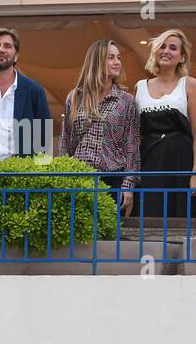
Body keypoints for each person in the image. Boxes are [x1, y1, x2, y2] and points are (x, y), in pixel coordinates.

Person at [60, 39, 140, 216]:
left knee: (110, 241)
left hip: (112, 180)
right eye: (110, 57)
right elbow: (65, 142)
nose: (117, 62)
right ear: (96, 61)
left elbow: (132, 146)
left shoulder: (126, 101)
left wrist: (128, 185)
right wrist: (63, 179)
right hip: (79, 180)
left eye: (118, 57)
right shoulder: (74, 97)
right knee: (80, 240)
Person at [134, 29, 196, 220]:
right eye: (162, 46)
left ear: (182, 57)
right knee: (150, 214)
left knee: (182, 215)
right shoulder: (140, 87)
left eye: (173, 48)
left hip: (180, 159)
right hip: (149, 161)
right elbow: (134, 135)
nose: (166, 51)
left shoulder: (189, 84)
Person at [0, 27, 51, 162]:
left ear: (16, 55)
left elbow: (43, 140)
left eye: (7, 46)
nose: (1, 50)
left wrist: (39, 177)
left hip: (19, 175)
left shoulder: (34, 90)